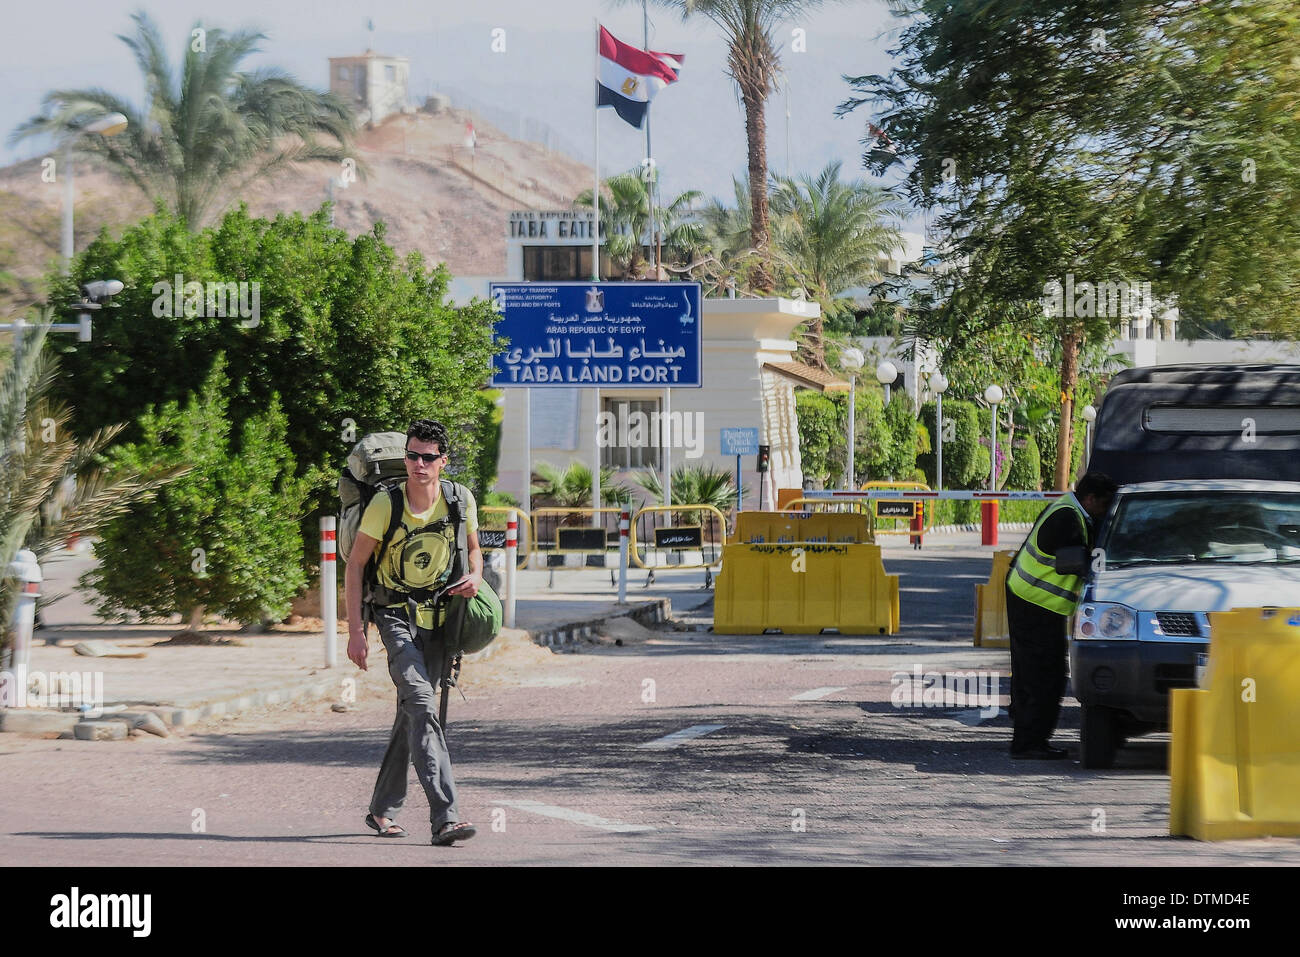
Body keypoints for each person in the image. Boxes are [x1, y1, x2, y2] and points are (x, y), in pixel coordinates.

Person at [346, 419, 482, 845]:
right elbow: (354, 565)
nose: (418, 465)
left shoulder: (460, 500)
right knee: (422, 703)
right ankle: (446, 817)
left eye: (427, 457)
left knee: (412, 711)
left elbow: (475, 550)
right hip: (394, 615)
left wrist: (475, 576)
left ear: (443, 461)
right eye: (411, 456)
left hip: (442, 619)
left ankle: (382, 811)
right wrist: (355, 631)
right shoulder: (386, 504)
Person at [1004, 471, 1118, 759]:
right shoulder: (1068, 518)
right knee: (1045, 675)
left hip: (1033, 600)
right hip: (1035, 602)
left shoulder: (1069, 509)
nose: (1104, 513)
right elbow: (1079, 561)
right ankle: (1028, 744)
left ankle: (1027, 735)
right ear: (1090, 498)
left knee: (1033, 672)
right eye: (1103, 505)